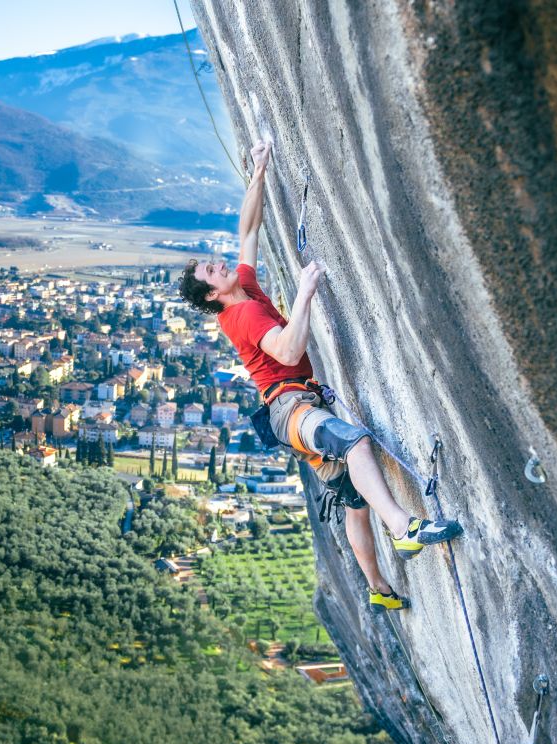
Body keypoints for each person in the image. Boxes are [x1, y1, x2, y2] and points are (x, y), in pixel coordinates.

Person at [178, 141, 462, 612]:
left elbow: (248, 229)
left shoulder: (243, 289)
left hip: (291, 410)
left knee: (354, 499)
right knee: (355, 444)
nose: (221, 263)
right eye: (213, 269)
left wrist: (259, 172)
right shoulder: (243, 316)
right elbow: (289, 349)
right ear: (212, 294)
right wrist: (306, 292)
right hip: (292, 409)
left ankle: (379, 590)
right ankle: (405, 528)